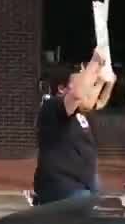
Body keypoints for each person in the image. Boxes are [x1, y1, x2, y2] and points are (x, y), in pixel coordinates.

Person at [31, 53, 115, 205]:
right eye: (81, 80)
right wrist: (95, 61)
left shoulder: (80, 110)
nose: (87, 84)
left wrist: (103, 80)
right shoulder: (52, 106)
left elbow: (90, 100)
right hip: (63, 187)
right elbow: (78, 94)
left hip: (85, 182)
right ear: (62, 88)